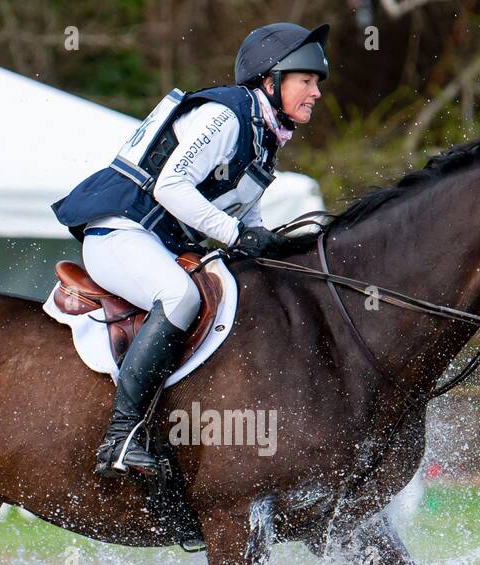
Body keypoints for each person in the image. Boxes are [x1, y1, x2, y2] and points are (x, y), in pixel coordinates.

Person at [52, 22, 330, 478]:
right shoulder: (227, 115)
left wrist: (276, 247)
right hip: (119, 232)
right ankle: (120, 438)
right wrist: (236, 234)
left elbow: (247, 213)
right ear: (270, 80)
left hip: (155, 241)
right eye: (306, 80)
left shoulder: (264, 136)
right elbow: (171, 185)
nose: (316, 92)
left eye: (317, 82)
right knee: (180, 298)